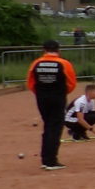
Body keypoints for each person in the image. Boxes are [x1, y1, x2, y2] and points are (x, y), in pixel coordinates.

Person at [26, 39, 76, 170]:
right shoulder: (64, 63)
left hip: (41, 98)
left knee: (48, 126)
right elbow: (71, 83)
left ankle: (45, 159)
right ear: (58, 50)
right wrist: (62, 92)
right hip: (58, 97)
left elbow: (30, 83)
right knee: (55, 128)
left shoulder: (36, 63)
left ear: (44, 50)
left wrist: (40, 93)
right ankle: (51, 161)